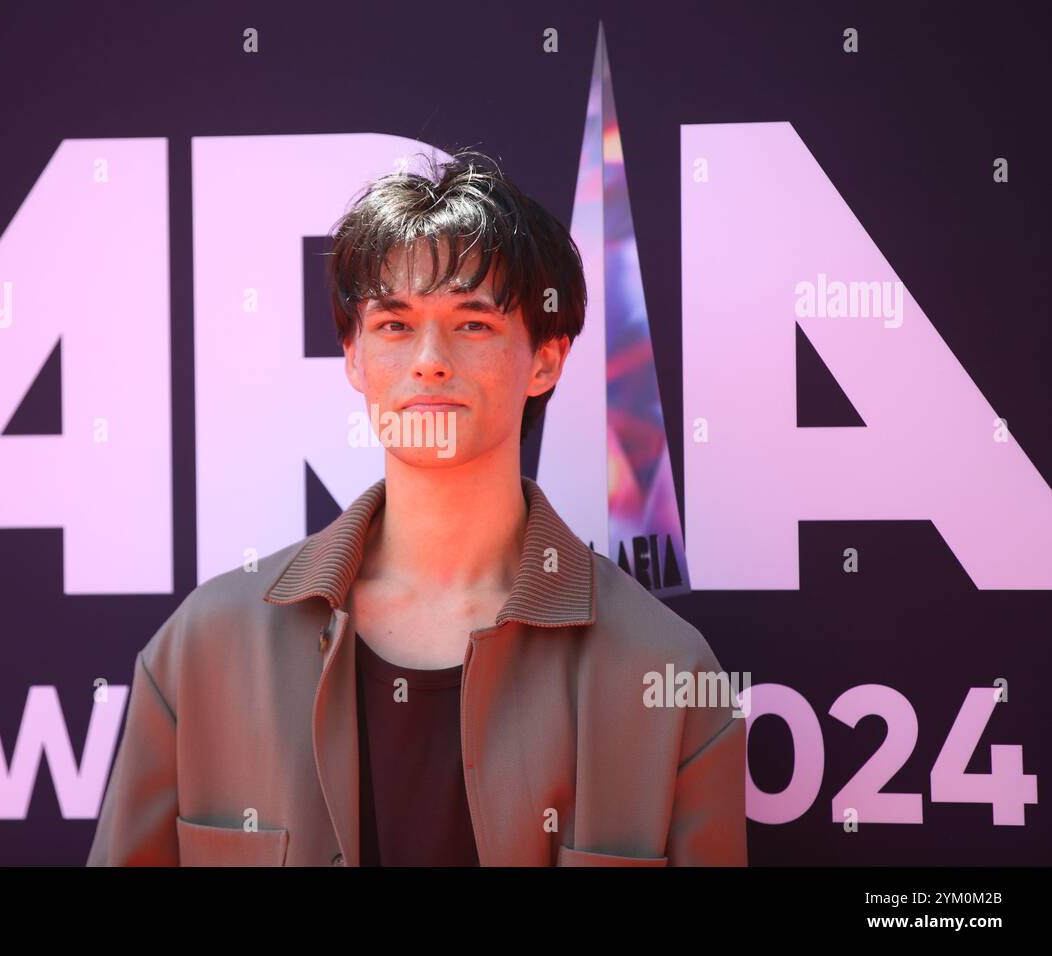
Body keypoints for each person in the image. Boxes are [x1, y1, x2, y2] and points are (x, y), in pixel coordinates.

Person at [87, 150, 746, 866]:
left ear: (547, 359)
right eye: (395, 325)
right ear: (354, 358)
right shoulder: (202, 651)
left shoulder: (667, 674)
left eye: (473, 324)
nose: (429, 359)